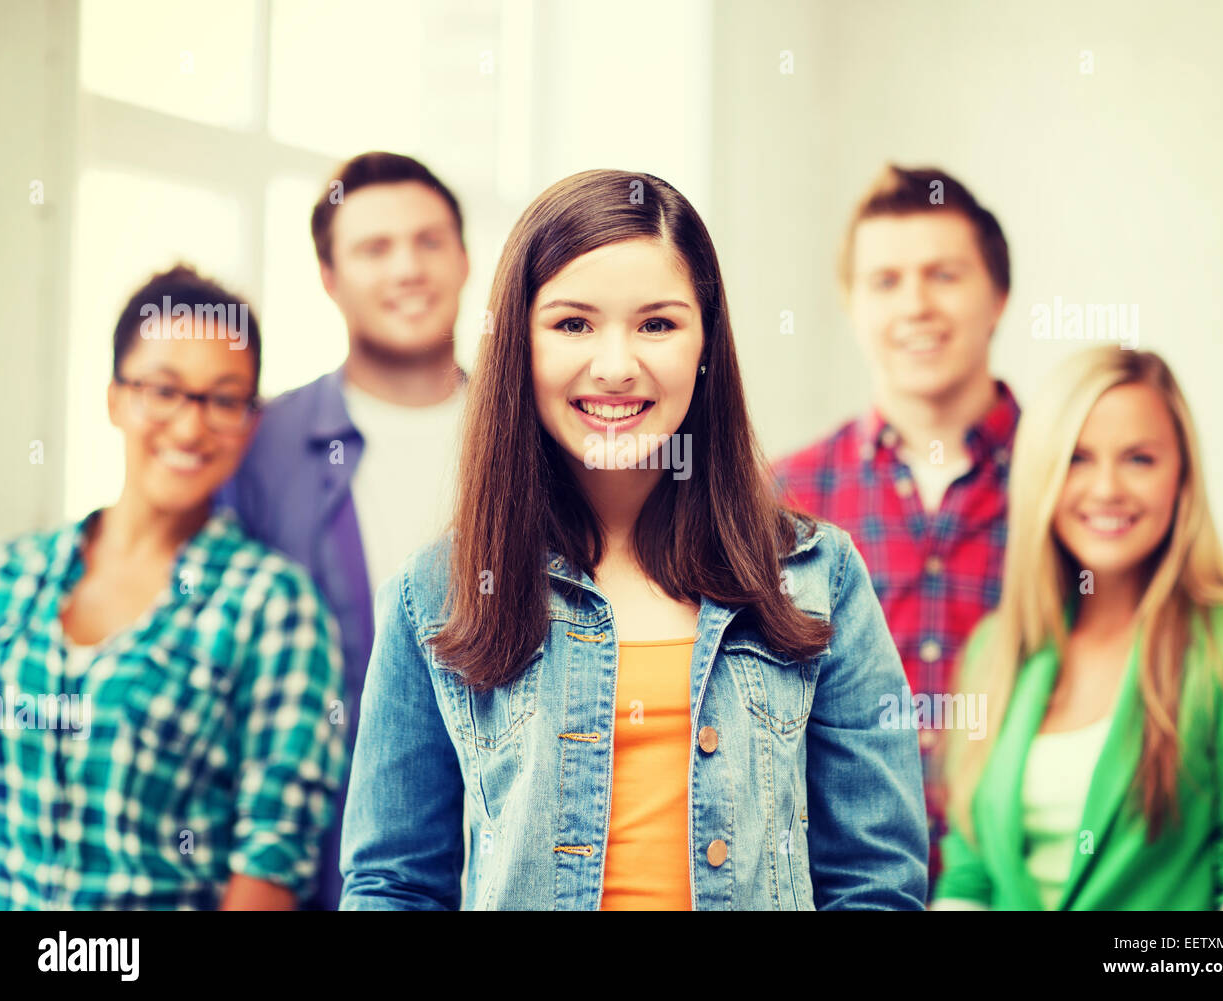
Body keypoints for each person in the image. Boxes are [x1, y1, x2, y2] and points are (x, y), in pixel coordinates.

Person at [338, 168, 928, 910]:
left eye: (657, 323)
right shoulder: (434, 596)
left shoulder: (817, 575)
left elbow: (876, 882)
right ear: (518, 344)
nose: (616, 366)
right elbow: (393, 885)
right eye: (573, 324)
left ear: (706, 342)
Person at [0, 265, 345, 909]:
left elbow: (270, 862)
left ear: (251, 421)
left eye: (224, 398)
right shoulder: (7, 580)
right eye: (164, 390)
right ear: (115, 398)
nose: (189, 428)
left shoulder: (272, 606)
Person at [932, 347, 1223, 910]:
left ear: (1183, 477)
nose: (1106, 489)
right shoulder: (993, 652)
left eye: (1139, 459)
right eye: (1077, 458)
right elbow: (968, 880)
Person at [216, 151, 471, 909]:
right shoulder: (260, 446)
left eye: (429, 241)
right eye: (373, 248)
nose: (408, 269)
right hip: (322, 872)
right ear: (328, 276)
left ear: (464, 257)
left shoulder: (535, 436)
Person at [772, 164, 1018, 888]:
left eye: (944, 274)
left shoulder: (1078, 486)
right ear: (852, 303)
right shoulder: (780, 499)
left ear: (998, 296)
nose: (916, 305)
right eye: (885, 281)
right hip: (841, 891)